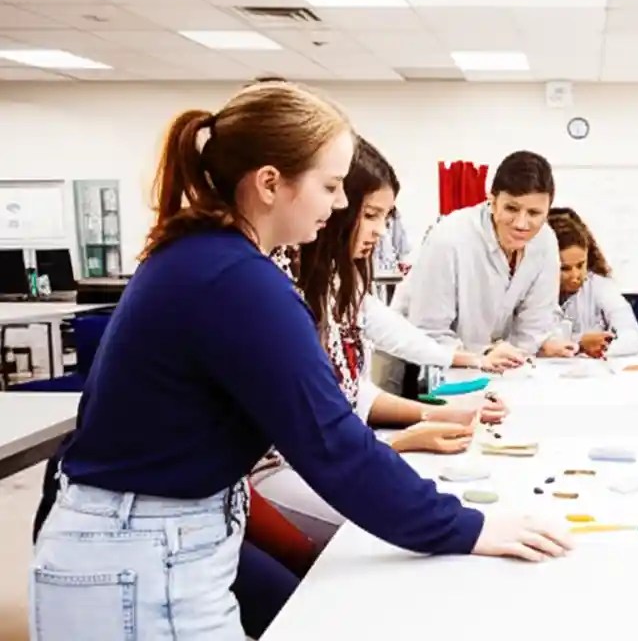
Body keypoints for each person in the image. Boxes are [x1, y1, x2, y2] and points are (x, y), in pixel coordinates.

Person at [29, 82, 571, 639]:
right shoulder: (237, 280)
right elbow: (331, 442)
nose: (340, 204)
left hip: (155, 538)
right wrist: (469, 527)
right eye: (331, 186)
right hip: (140, 553)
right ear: (270, 184)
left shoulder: (210, 256)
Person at [254, 136, 508, 544]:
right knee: (391, 530)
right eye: (370, 215)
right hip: (277, 470)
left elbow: (355, 390)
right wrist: (402, 442)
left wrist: (441, 411)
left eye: (386, 218)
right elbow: (319, 429)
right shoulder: (279, 287)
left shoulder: (337, 282)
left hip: (318, 460)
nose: (380, 231)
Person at [390, 150, 572, 388]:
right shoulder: (449, 238)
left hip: (487, 371)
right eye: (511, 208)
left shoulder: (545, 241)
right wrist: (483, 356)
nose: (521, 223)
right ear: (492, 201)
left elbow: (533, 327)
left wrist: (511, 359)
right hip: (418, 364)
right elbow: (429, 331)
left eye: (534, 213)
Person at [547, 208, 638, 358]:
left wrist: (606, 349)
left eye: (580, 265)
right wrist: (579, 344)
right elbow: (528, 340)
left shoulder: (599, 286)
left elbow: (631, 333)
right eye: (564, 268)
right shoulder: (531, 295)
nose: (575, 275)